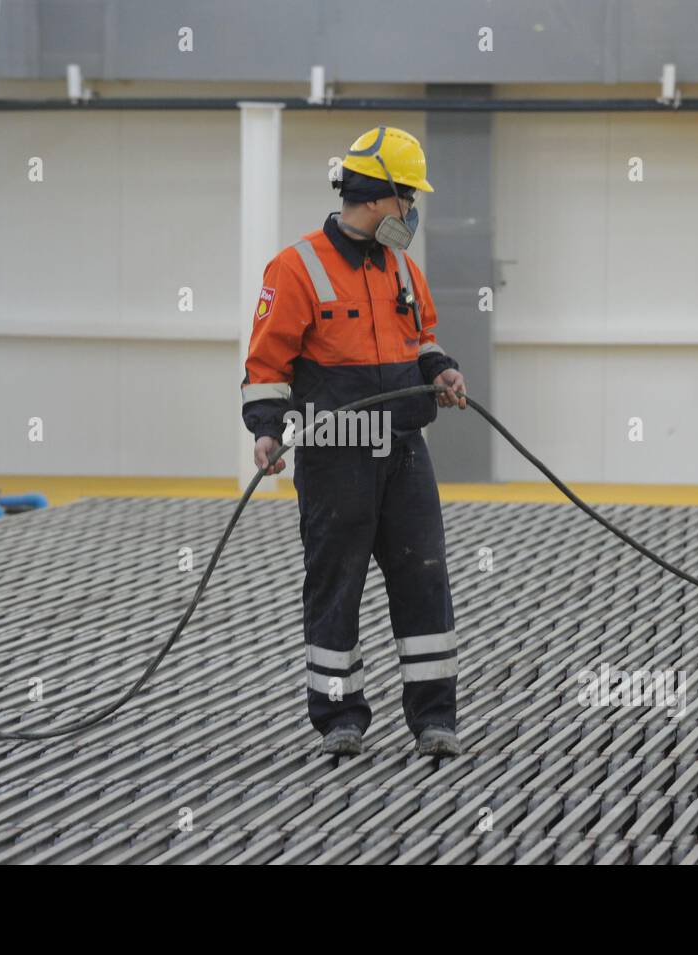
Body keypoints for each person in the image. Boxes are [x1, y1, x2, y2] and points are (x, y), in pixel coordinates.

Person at [240, 126, 468, 757]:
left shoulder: (401, 266)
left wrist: (440, 370)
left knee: (424, 579)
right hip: (335, 453)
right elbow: (266, 364)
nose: (412, 212)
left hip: (403, 449)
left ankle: (433, 720)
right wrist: (266, 430)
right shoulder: (295, 268)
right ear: (377, 196)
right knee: (336, 582)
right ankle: (340, 718)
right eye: (407, 198)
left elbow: (421, 339)